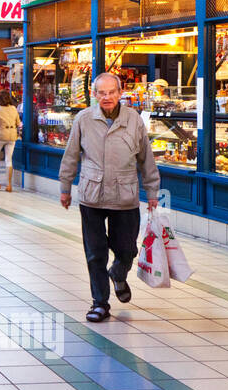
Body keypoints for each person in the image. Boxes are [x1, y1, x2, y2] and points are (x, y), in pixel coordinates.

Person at [59, 72, 161, 324]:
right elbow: (71, 155)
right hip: (91, 196)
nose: (107, 97)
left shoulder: (133, 119)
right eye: (102, 93)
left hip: (124, 195)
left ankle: (118, 272)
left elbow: (146, 158)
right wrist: (65, 187)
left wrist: (152, 191)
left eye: (111, 92)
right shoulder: (84, 119)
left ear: (120, 92)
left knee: (127, 249)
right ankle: (100, 303)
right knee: (95, 253)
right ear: (94, 94)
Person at [0, 89, 22, 192]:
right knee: (8, 159)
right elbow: (18, 123)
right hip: (12, 136)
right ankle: (9, 185)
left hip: (0, 136)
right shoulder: (14, 109)